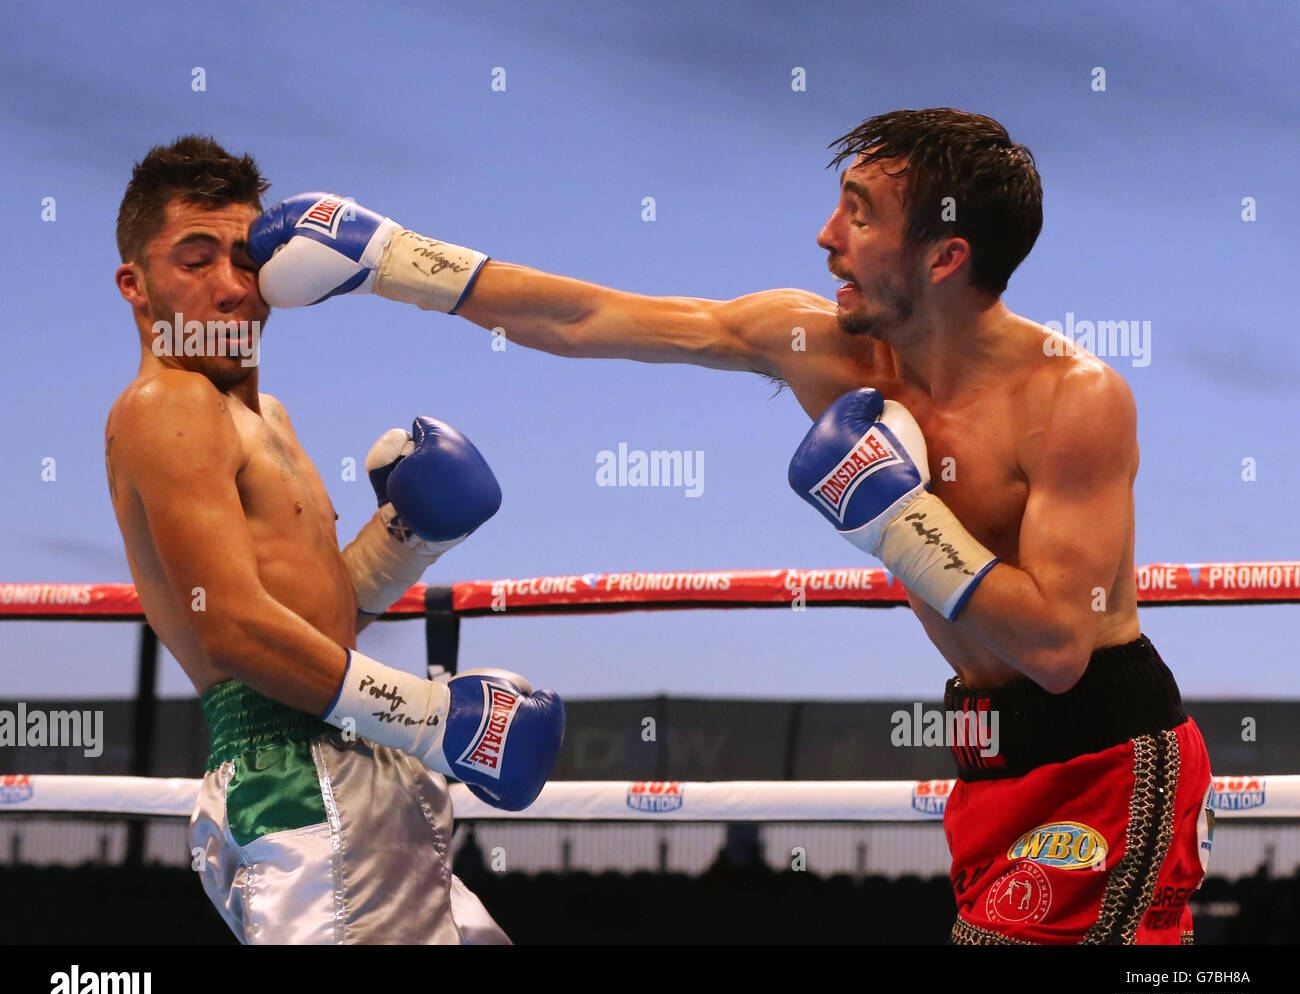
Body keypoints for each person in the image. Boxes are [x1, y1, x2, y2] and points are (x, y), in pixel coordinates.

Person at [247, 108, 1213, 945]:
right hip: (988, 757)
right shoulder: (817, 344)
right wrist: (390, 258)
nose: (828, 235)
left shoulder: (1074, 398)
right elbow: (590, 317)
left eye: (863, 214)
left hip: (1107, 760)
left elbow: (1054, 646)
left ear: (946, 255)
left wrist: (899, 518)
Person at [105, 135, 564, 944]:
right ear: (135, 287)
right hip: (296, 770)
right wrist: (433, 719)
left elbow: (318, 608)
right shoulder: (168, 404)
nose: (229, 287)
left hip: (350, 760)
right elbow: (237, 628)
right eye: (194, 259)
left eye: (246, 259)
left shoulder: (261, 417)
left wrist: (403, 539)